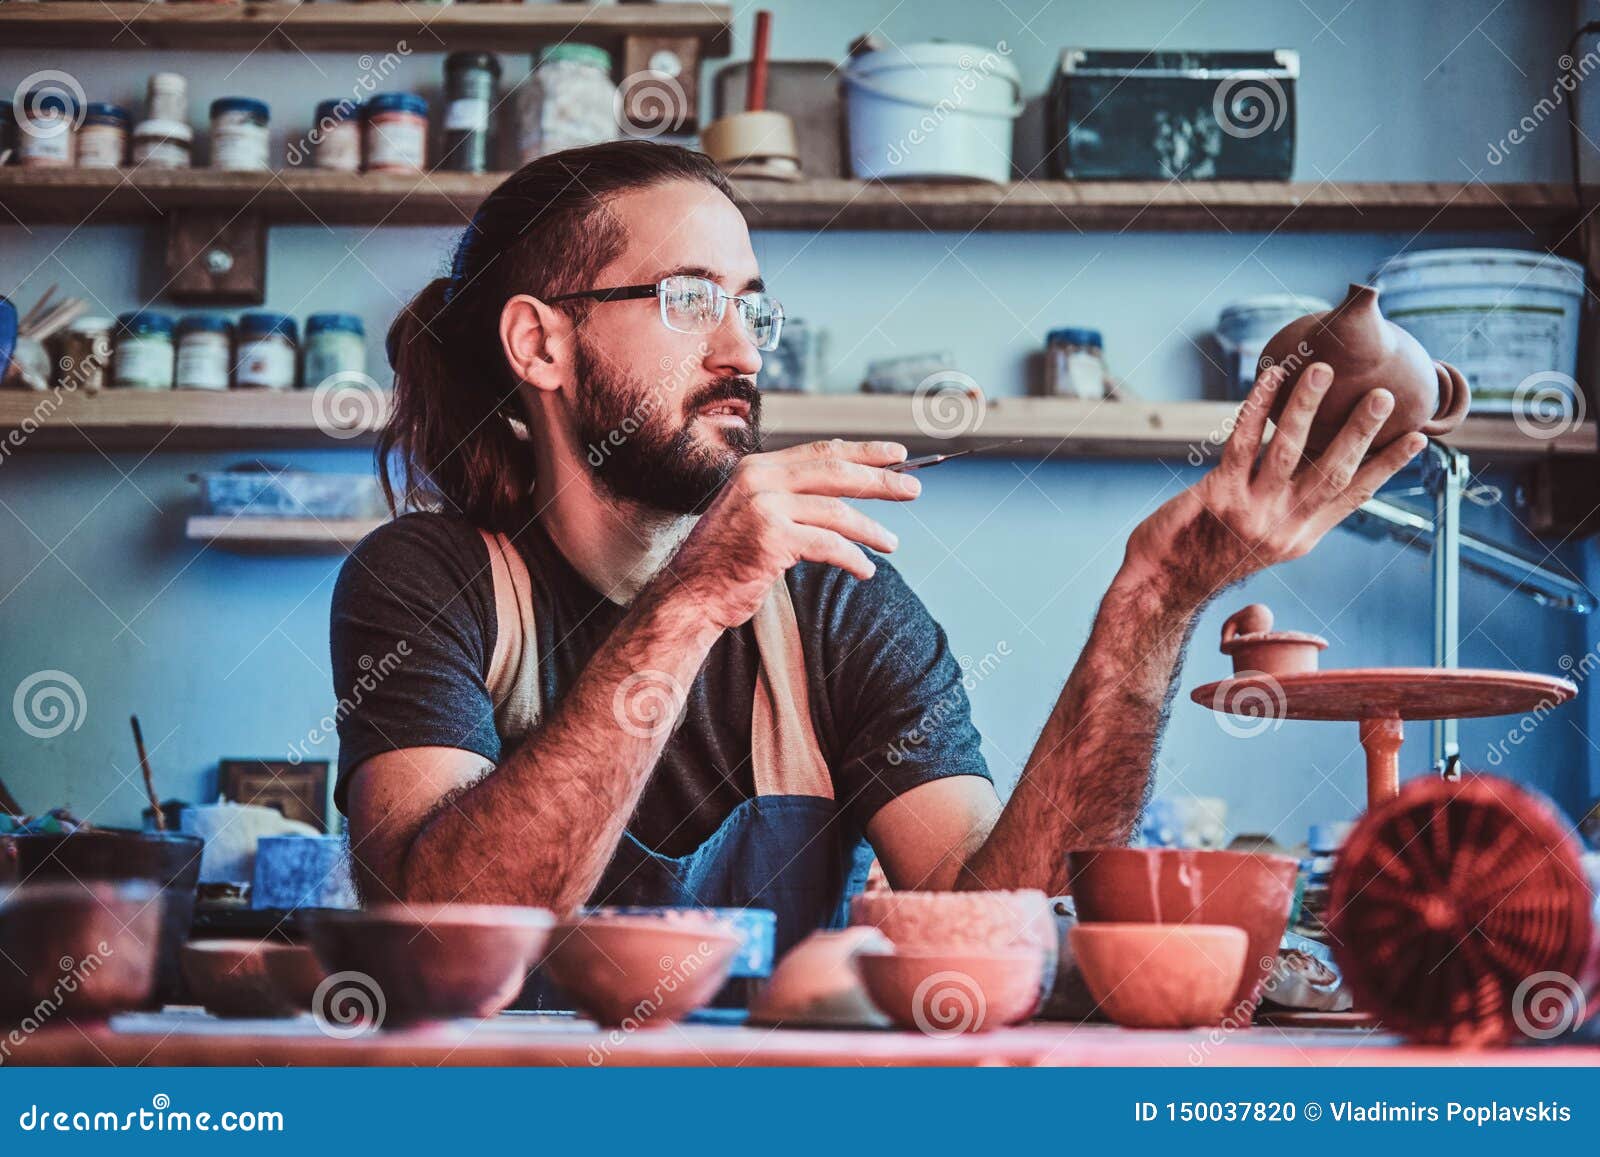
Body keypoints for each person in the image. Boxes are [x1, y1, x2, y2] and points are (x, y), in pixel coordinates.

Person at [330, 141, 1423, 954]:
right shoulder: (429, 585)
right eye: (689, 298)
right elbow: (443, 928)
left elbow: (991, 917)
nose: (738, 348)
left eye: (751, 308)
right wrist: (689, 601)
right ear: (541, 342)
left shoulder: (835, 606)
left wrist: (1154, 599)